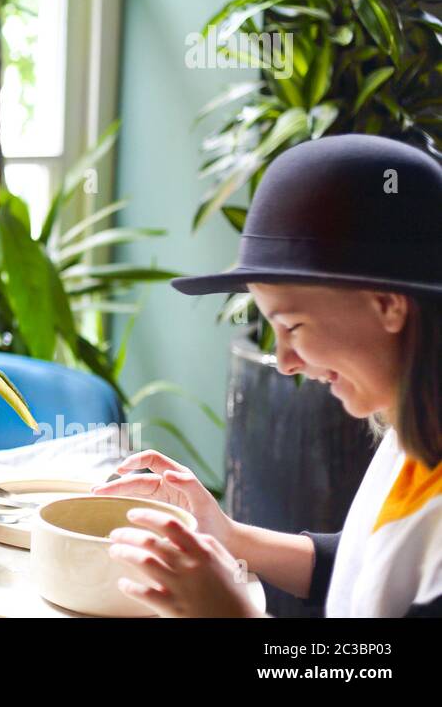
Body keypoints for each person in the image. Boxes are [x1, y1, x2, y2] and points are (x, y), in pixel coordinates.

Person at [94, 134, 442, 617]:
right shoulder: (413, 439)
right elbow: (362, 567)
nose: (284, 362)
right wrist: (228, 535)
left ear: (387, 305)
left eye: (293, 326)